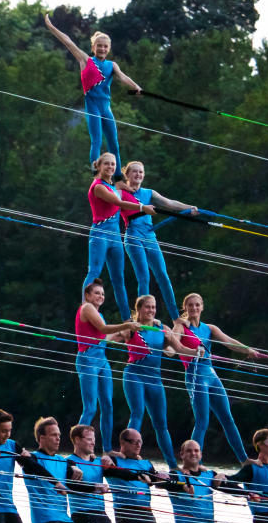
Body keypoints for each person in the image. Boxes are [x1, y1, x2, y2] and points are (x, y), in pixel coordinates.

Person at [43, 16, 142, 172]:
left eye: (105, 46)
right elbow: (69, 42)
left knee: (114, 143)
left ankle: (117, 177)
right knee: (96, 141)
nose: (102, 49)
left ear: (109, 48)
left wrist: (136, 87)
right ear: (93, 47)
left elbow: (123, 77)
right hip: (92, 107)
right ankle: (95, 171)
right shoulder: (86, 60)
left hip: (106, 108)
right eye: (99, 46)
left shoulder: (112, 65)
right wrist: (51, 27)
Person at [109, 294, 198, 469]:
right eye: (147, 307)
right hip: (134, 375)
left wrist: (197, 352)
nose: (151, 310)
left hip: (155, 379)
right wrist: (123, 327)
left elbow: (180, 348)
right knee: (137, 413)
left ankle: (173, 466)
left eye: (153, 307)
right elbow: (108, 337)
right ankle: (127, 457)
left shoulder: (163, 329)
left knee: (161, 424)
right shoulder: (131, 328)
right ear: (139, 309)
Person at [173, 292, 263, 463]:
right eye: (190, 305)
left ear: (202, 307)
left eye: (197, 304)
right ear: (185, 308)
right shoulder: (181, 327)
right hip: (194, 375)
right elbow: (174, 346)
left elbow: (229, 341)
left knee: (228, 418)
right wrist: (191, 351)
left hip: (211, 374)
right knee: (202, 421)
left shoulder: (210, 328)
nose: (194, 308)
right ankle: (194, 463)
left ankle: (244, 460)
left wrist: (248, 350)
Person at [119, 161, 197, 321]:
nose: (138, 175)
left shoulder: (149, 193)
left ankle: (176, 317)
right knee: (144, 277)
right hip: (133, 235)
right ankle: (141, 317)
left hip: (149, 236)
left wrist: (189, 208)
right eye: (135, 172)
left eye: (141, 172)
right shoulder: (120, 193)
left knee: (163, 275)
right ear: (127, 174)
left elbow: (169, 203)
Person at [24, 417, 100, 523]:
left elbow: (73, 486)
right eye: (53, 435)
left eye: (59, 435)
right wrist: (56, 481)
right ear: (42, 438)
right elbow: (33, 467)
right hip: (44, 518)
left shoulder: (62, 461)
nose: (58, 438)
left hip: (63, 518)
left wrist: (95, 488)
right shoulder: (32, 458)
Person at [75, 279, 138, 453]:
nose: (100, 296)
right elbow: (103, 329)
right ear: (87, 295)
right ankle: (77, 448)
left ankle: (107, 450)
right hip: (88, 360)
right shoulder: (87, 308)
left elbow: (105, 338)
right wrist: (126, 325)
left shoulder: (98, 313)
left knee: (108, 405)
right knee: (90, 407)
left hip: (102, 360)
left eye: (102, 294)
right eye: (97, 293)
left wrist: (124, 334)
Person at [82, 152, 146, 320]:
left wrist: (123, 187)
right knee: (94, 271)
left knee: (118, 278)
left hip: (115, 237)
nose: (110, 167)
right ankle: (85, 309)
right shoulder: (98, 187)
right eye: (107, 164)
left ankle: (126, 318)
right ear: (99, 166)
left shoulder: (112, 186)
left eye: (113, 164)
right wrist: (142, 208)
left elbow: (119, 192)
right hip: (100, 235)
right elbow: (117, 202)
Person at [103, 428, 168, 523]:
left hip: (147, 513)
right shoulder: (114, 461)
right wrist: (136, 475)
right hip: (126, 513)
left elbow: (154, 481)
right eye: (134, 442)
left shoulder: (145, 463)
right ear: (123, 442)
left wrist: (162, 478)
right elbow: (111, 472)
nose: (138, 445)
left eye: (140, 442)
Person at [64, 424, 120, 523]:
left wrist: (112, 459)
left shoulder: (98, 462)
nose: (93, 443)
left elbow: (122, 472)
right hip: (82, 515)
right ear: (77, 440)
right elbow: (71, 486)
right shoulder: (69, 463)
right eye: (89, 439)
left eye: (94, 439)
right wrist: (94, 487)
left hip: (101, 514)